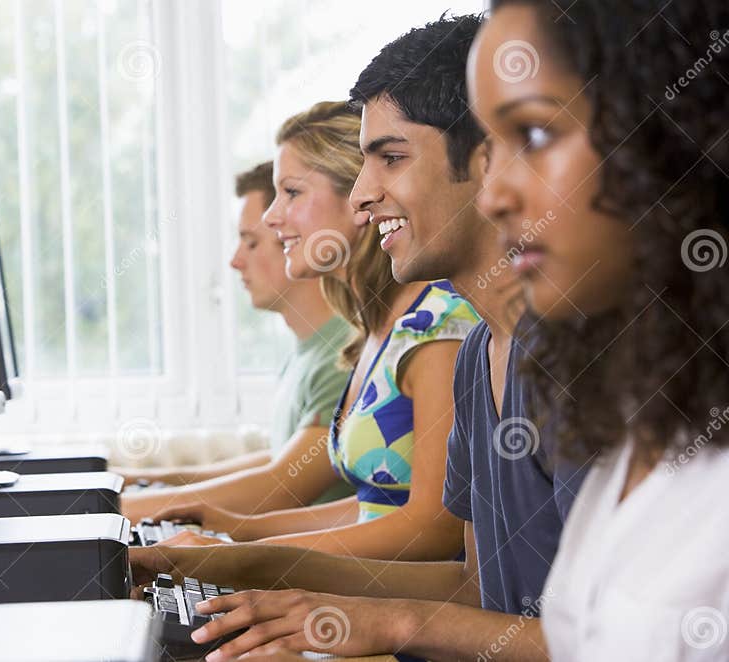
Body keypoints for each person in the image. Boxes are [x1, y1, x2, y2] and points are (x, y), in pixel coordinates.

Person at [129, 15, 588, 661]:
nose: (364, 196)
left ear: (487, 161)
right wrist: (251, 571)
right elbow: (476, 590)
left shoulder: (582, 363)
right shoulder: (480, 358)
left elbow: (628, 642)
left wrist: (391, 624)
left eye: (392, 159)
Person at [472, 1, 729, 659]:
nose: (492, 195)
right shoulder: (648, 414)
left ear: (667, 130)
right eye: (487, 147)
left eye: (531, 135)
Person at [152, 100, 478, 562]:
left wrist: (245, 555)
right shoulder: (377, 332)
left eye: (291, 193)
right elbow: (374, 511)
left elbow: (431, 530)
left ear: (356, 197)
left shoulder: (439, 326)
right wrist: (241, 532)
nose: (271, 218)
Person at [121, 161, 355, 520]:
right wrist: (154, 480)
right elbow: (281, 458)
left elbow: (280, 486)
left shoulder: (342, 353)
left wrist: (112, 509)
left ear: (293, 235)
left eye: (250, 242)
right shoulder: (308, 350)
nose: (234, 261)